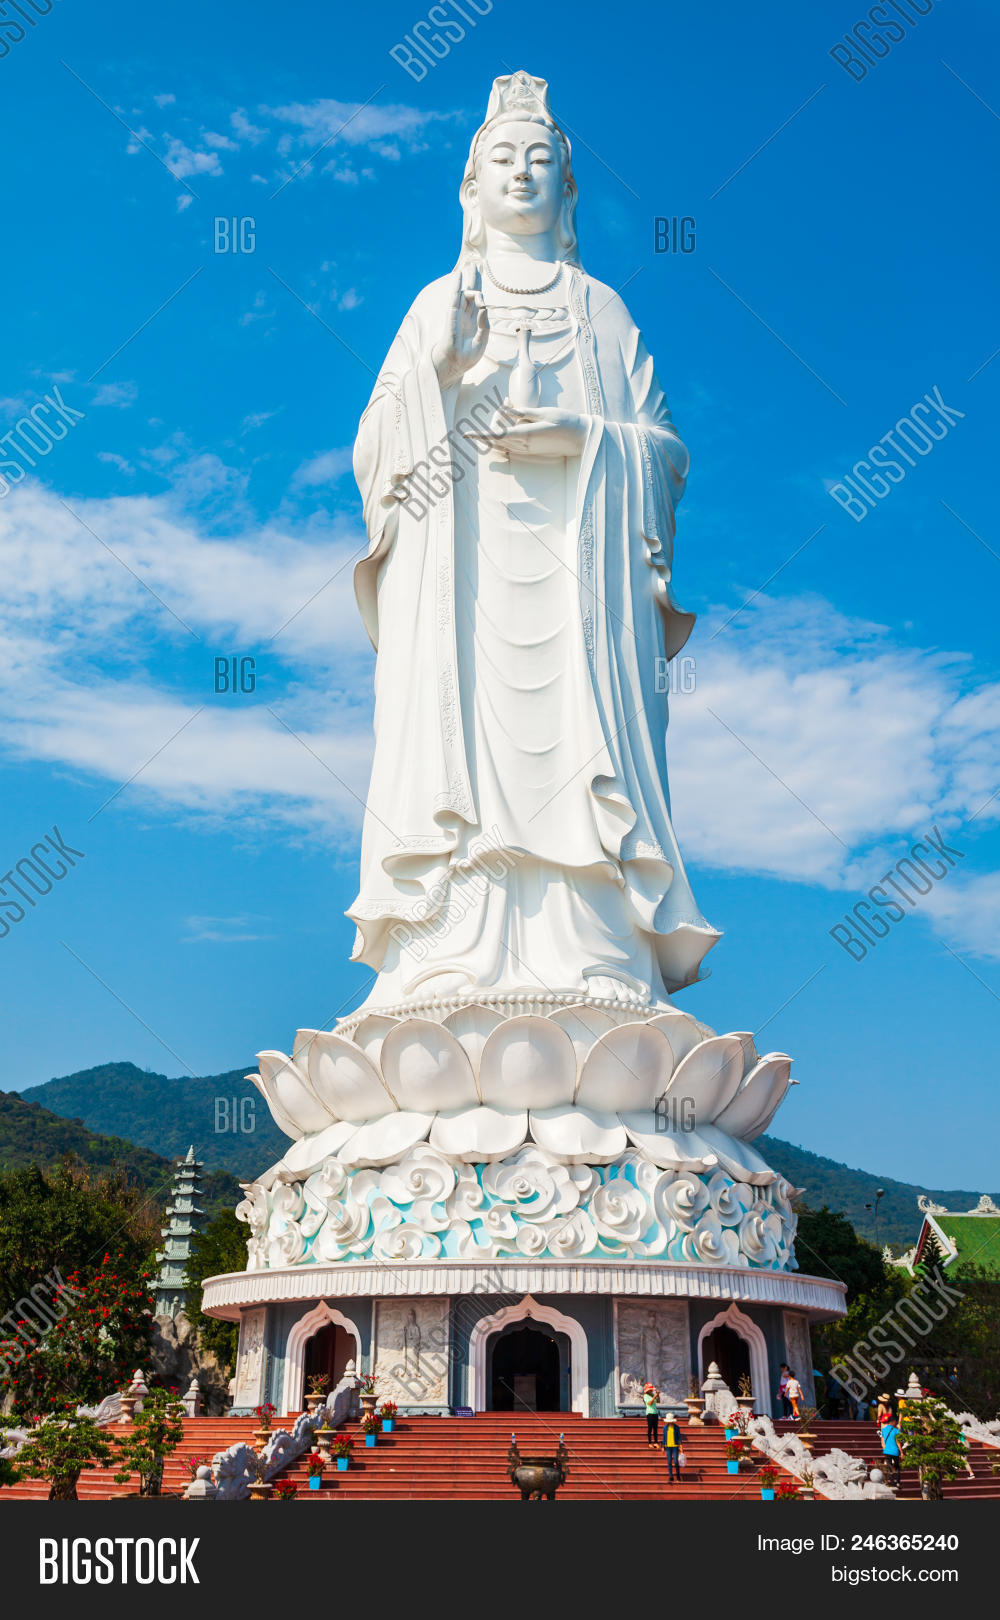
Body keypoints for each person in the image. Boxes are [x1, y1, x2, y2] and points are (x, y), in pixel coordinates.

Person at [880, 1419, 902, 1486]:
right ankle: (898, 1482)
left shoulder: (883, 1430)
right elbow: (898, 1442)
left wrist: (884, 1448)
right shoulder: (896, 1430)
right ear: (893, 1422)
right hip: (895, 1451)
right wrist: (901, 1452)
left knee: (889, 1466)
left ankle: (892, 1481)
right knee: (897, 1466)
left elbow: (882, 1441)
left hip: (887, 1451)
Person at [661, 1412, 682, 1482]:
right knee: (669, 1461)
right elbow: (664, 1437)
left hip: (675, 1446)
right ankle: (671, 1476)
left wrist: (681, 1446)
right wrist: (663, 1446)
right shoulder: (665, 1428)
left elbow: (679, 1437)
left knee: (676, 1461)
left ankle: (678, 1475)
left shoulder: (676, 1427)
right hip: (668, 1446)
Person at [643, 1383, 660, 1448]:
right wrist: (655, 1396)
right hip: (649, 1413)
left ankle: (656, 1442)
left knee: (655, 1428)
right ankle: (650, 1442)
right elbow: (650, 1403)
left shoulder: (652, 1395)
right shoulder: (645, 1396)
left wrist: (658, 1395)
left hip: (655, 1412)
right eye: (650, 1390)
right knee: (650, 1428)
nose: (651, 1391)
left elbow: (658, 1401)